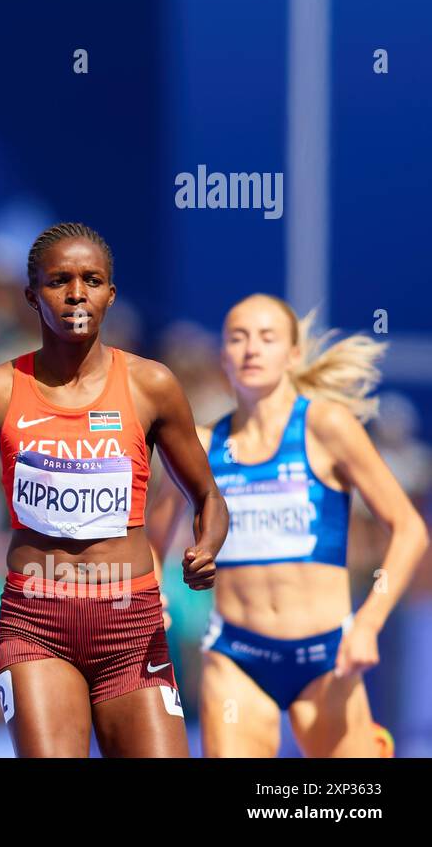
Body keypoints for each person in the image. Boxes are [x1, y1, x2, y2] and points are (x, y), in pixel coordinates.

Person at [0, 222, 226, 757]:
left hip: (131, 626)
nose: (77, 293)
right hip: (37, 625)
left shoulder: (152, 386)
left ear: (110, 293)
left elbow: (209, 497)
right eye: (59, 281)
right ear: (32, 294)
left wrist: (206, 548)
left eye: (91, 280)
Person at [148, 293, 428, 756]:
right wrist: (152, 591)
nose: (252, 349)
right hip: (236, 656)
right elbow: (152, 543)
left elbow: (409, 528)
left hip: (327, 656)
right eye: (238, 338)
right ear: (224, 357)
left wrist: (368, 623)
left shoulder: (327, 428)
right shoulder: (201, 446)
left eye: (267, 337)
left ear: (293, 354)